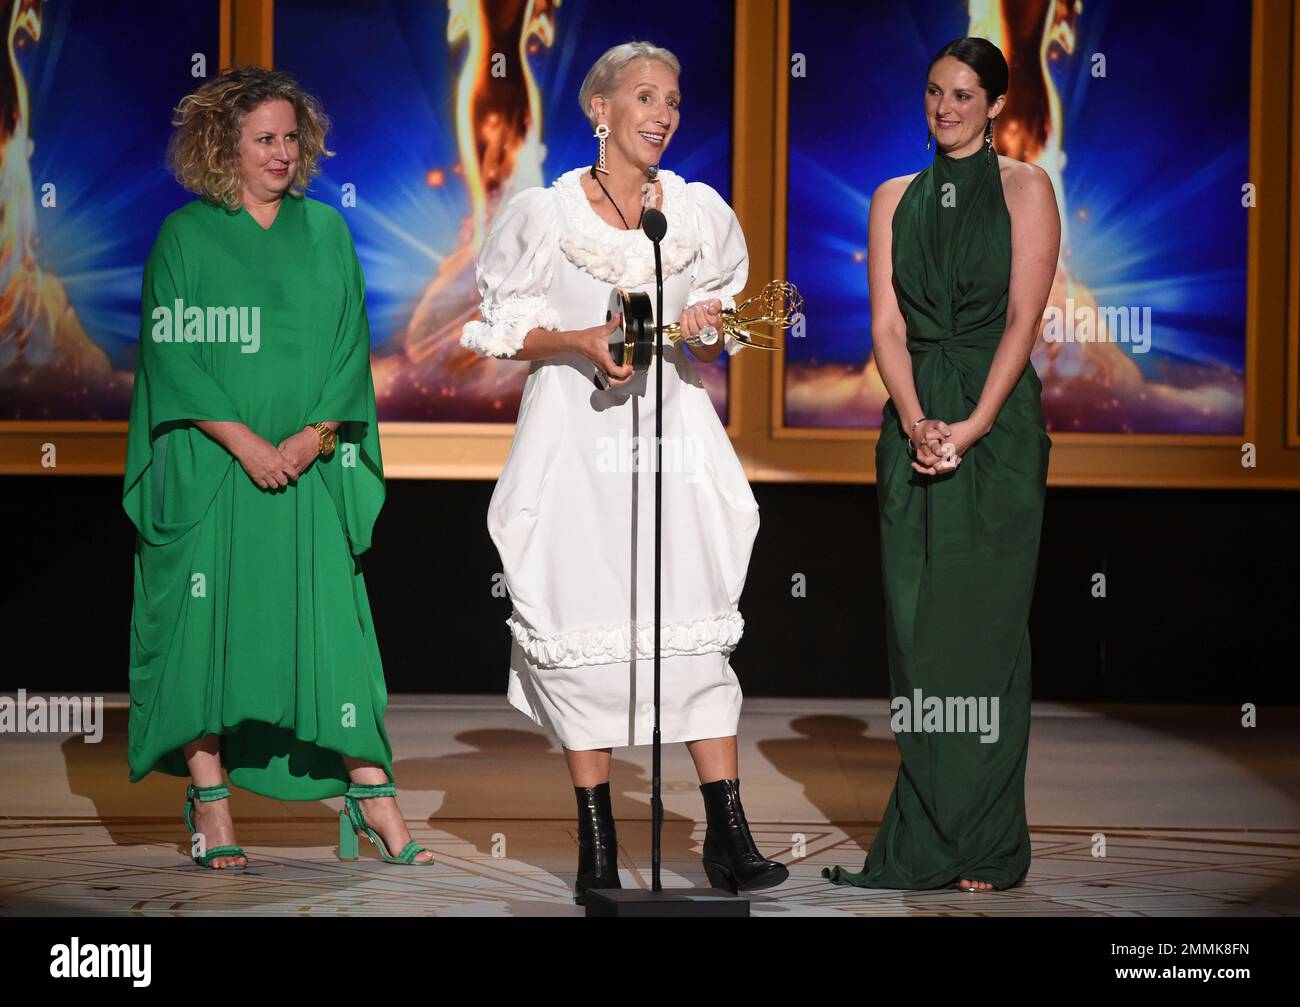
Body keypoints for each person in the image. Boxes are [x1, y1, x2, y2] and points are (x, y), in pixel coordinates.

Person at [461, 41, 787, 901]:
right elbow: (501, 330)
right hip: (577, 445)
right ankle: (598, 845)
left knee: (692, 623)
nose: (663, 115)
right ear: (599, 110)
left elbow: (713, 328)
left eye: (674, 100)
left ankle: (728, 834)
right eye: (644, 97)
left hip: (670, 443)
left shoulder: (694, 213)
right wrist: (579, 340)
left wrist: (711, 324)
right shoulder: (547, 214)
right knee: (585, 630)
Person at [123, 66, 433, 869]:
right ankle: (211, 798)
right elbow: (171, 354)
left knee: (333, 634)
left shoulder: (327, 233)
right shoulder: (185, 237)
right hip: (214, 472)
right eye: (265, 138)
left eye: (292, 137)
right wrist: (247, 443)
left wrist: (311, 438)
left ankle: (372, 792)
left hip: (307, 473)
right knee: (202, 633)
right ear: (225, 144)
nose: (283, 153)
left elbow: (348, 352)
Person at [822, 37, 1058, 892]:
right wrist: (920, 419)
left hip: (995, 430)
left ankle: (989, 842)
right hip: (914, 420)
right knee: (921, 639)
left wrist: (973, 423)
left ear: (996, 104)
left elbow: (1022, 322)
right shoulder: (891, 198)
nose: (945, 107)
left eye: (964, 94)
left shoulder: (1027, 188)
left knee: (985, 637)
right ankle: (930, 829)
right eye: (934, 92)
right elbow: (886, 327)